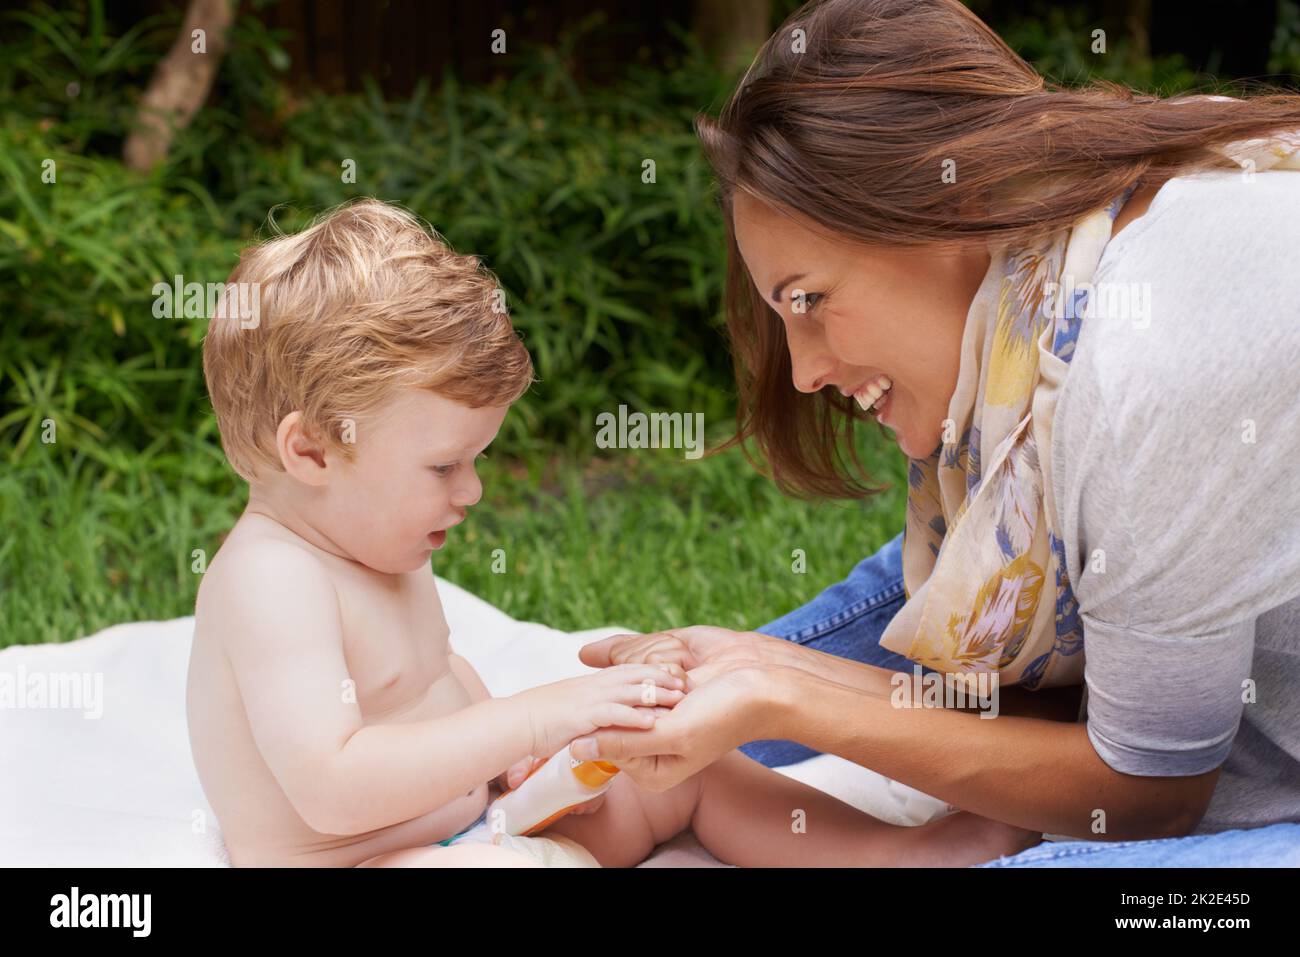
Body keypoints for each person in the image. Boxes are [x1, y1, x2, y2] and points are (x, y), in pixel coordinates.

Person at [569, 0, 1300, 865]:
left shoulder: (1146, 362)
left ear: (956, 203)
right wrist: (759, 672)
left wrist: (790, 700)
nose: (803, 373)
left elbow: (1147, 793)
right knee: (927, 594)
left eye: (809, 300)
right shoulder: (1068, 253)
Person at [188, 197, 1037, 868]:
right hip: (366, 860)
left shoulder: (371, 534)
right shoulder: (271, 580)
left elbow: (427, 684)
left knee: (678, 769)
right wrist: (536, 718)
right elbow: (333, 787)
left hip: (484, 820)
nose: (472, 489)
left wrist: (530, 761)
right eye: (444, 466)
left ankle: (900, 854)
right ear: (310, 449)